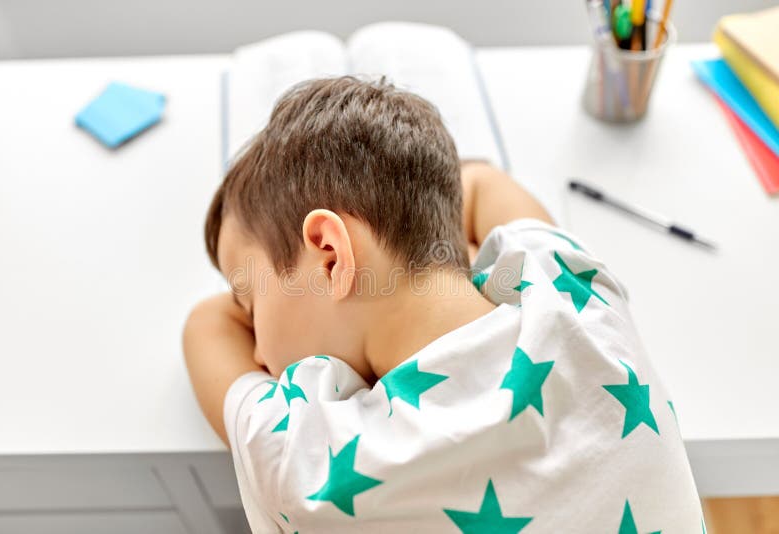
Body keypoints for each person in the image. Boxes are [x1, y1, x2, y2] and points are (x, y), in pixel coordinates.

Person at [183, 76, 702, 533]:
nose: (256, 352)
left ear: (329, 256)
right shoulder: (570, 291)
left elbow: (206, 325)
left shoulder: (312, 463)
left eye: (250, 300)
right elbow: (479, 183)